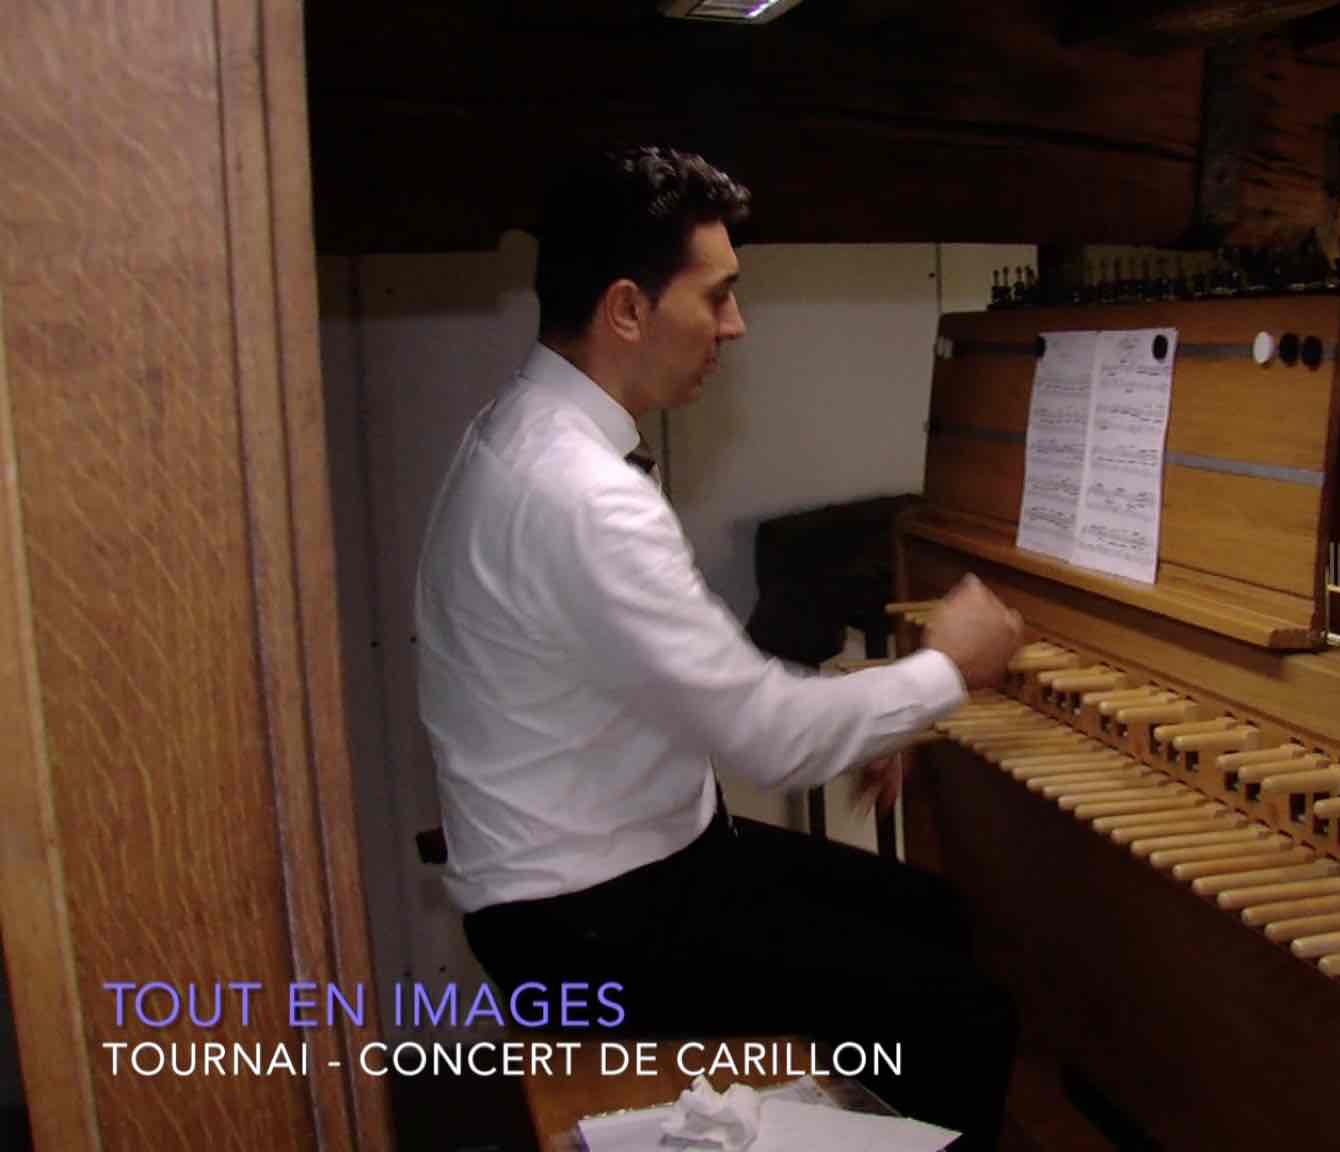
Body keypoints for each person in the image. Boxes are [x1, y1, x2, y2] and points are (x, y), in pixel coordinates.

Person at [413, 145, 1024, 1147]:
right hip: (585, 927)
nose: (734, 325)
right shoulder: (584, 495)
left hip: (618, 871)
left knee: (930, 914)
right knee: (962, 1015)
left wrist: (878, 703)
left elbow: (695, 683)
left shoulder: (519, 428)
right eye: (718, 295)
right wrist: (946, 667)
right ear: (626, 308)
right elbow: (766, 738)